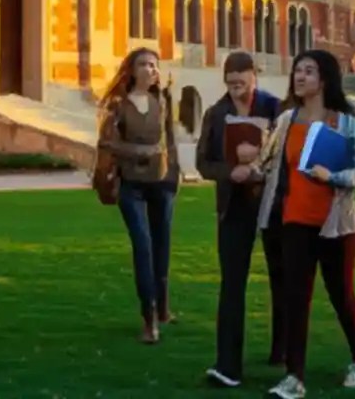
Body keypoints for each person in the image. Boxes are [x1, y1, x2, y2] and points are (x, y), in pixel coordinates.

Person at [258, 49, 355, 398]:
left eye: (309, 71)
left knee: (342, 295)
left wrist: (333, 175)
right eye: (297, 70)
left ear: (324, 79)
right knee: (296, 299)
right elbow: (267, 164)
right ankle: (295, 377)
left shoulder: (347, 123)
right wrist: (249, 163)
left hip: (337, 225)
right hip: (295, 222)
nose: (300, 76)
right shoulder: (287, 121)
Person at [196, 52, 285, 388]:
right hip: (234, 207)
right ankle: (227, 364)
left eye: (242, 83)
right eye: (231, 85)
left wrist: (261, 154)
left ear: (254, 77)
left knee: (282, 278)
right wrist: (227, 171)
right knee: (232, 284)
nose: (237, 90)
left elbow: (288, 152)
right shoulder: (216, 114)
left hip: (272, 205)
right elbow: (203, 162)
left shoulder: (275, 108)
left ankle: (283, 350)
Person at [97, 48, 180, 344]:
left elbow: (169, 139)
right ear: (131, 70)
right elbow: (106, 143)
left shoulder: (163, 99)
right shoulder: (118, 105)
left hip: (161, 182)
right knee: (143, 247)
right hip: (131, 185)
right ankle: (149, 318)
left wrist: (175, 175)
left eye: (154, 65)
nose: (150, 69)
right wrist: (140, 152)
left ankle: (164, 309)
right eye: (143, 64)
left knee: (162, 246)